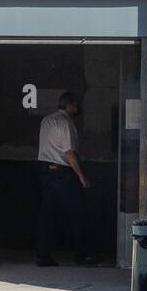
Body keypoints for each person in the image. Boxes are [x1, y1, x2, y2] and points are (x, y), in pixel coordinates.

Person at [36, 91, 98, 267]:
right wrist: (82, 177)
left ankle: (42, 255)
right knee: (78, 213)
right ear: (70, 105)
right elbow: (69, 153)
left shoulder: (46, 120)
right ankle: (82, 254)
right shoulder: (66, 123)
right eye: (75, 105)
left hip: (45, 170)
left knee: (46, 215)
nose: (77, 108)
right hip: (62, 172)